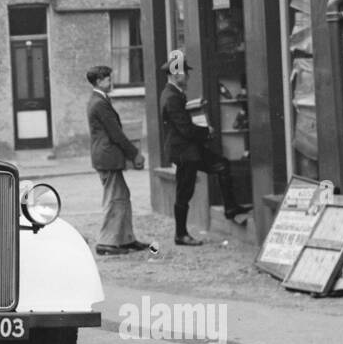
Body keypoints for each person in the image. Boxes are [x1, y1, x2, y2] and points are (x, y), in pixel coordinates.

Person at [159, 49, 251, 246]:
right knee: (185, 190)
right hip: (184, 152)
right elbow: (185, 129)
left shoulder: (173, 94)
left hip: (189, 150)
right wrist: (206, 131)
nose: (189, 76)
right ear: (176, 74)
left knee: (222, 165)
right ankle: (180, 234)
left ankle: (230, 208)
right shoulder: (172, 97)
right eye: (186, 73)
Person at [86, 65, 149, 256]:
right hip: (107, 157)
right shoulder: (99, 103)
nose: (111, 81)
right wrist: (134, 154)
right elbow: (116, 134)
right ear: (98, 81)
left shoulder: (100, 100)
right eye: (107, 79)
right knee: (114, 198)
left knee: (122, 196)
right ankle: (107, 242)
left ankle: (125, 239)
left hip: (106, 156)